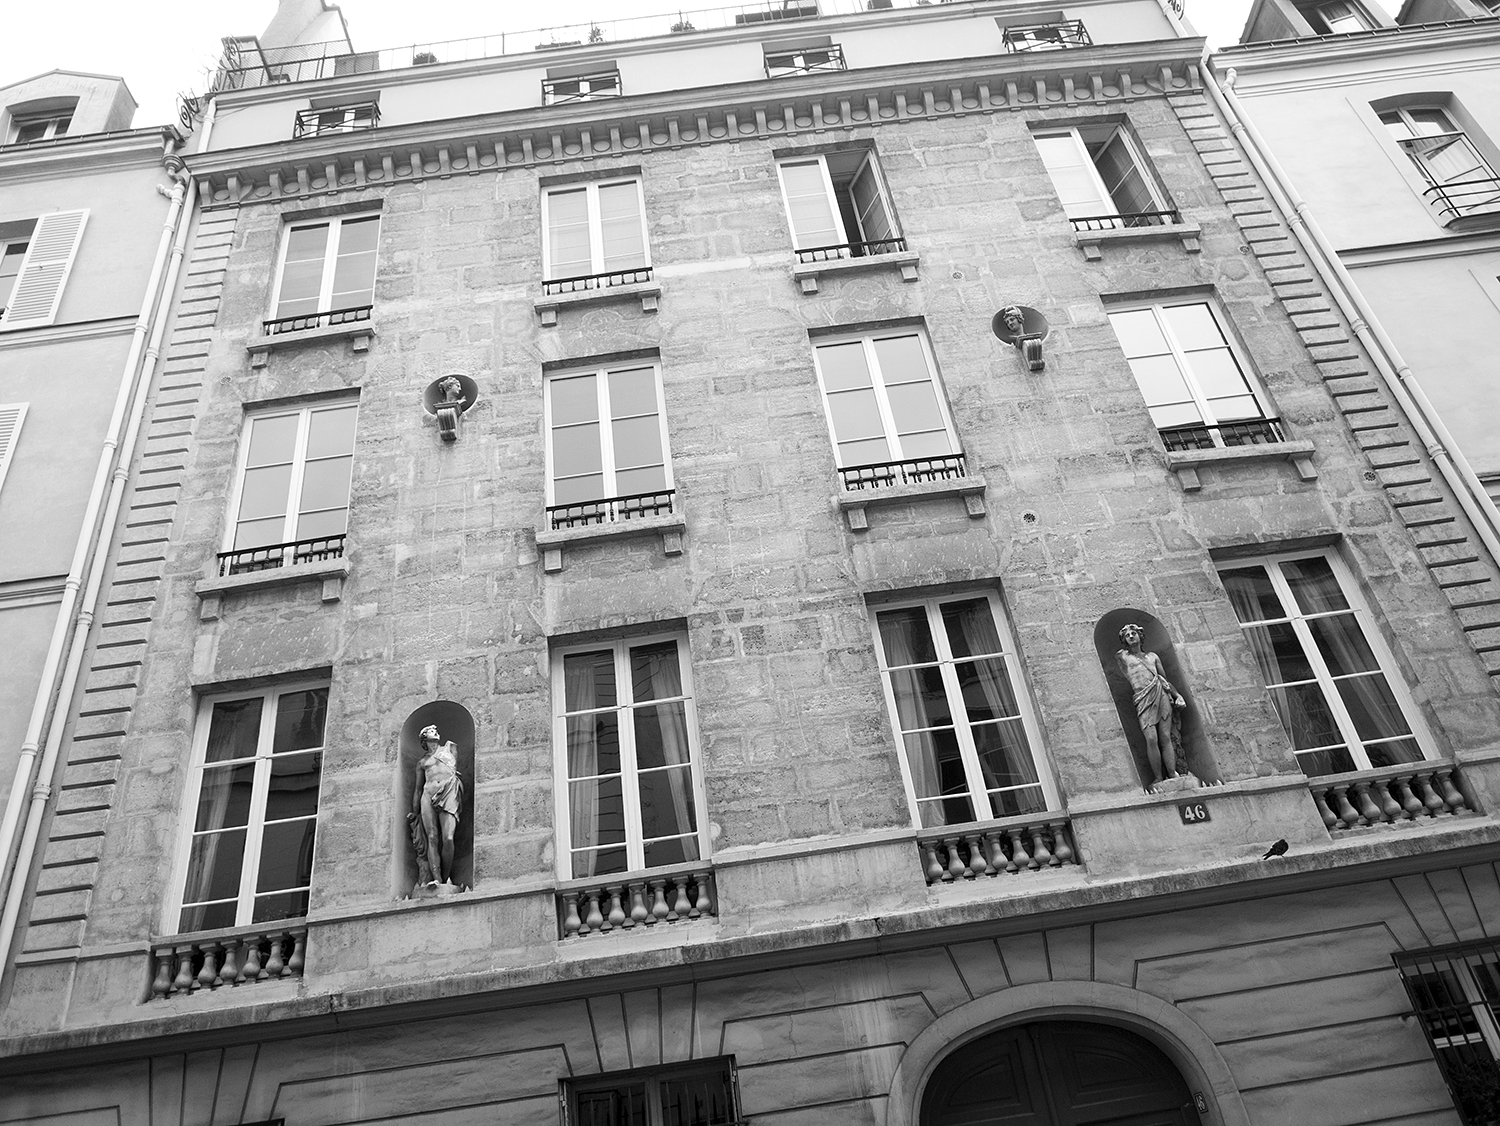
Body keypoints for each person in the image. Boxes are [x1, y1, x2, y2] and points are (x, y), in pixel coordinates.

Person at [1116, 623, 1187, 787]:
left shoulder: (1153, 657)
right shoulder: (1123, 656)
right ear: (1124, 640)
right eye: (1127, 635)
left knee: (1165, 736)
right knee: (1151, 738)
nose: (1131, 636)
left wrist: (1177, 696)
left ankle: (1172, 773)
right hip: (1142, 698)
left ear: (1140, 636)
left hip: (1160, 694)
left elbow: (1164, 680)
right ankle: (1158, 777)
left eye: (1134, 633)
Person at [410, 724, 463, 887]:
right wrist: (414, 812)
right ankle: (437, 879)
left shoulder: (450, 748)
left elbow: (454, 769)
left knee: (448, 838)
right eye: (431, 732)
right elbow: (418, 789)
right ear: (424, 739)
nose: (435, 733)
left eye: (435, 731)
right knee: (431, 837)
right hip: (427, 796)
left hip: (448, 792)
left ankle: (446, 878)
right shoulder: (422, 762)